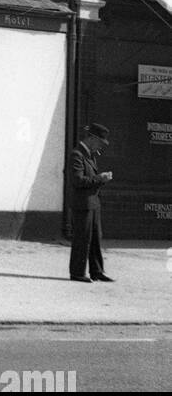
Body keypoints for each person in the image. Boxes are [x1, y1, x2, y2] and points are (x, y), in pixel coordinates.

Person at [69, 121, 114, 283]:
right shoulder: (77, 154)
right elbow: (77, 180)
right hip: (83, 204)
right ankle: (77, 273)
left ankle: (97, 271)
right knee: (82, 239)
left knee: (95, 238)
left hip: (93, 204)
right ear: (92, 139)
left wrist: (100, 180)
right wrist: (99, 178)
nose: (101, 147)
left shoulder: (89, 155)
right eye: (100, 143)